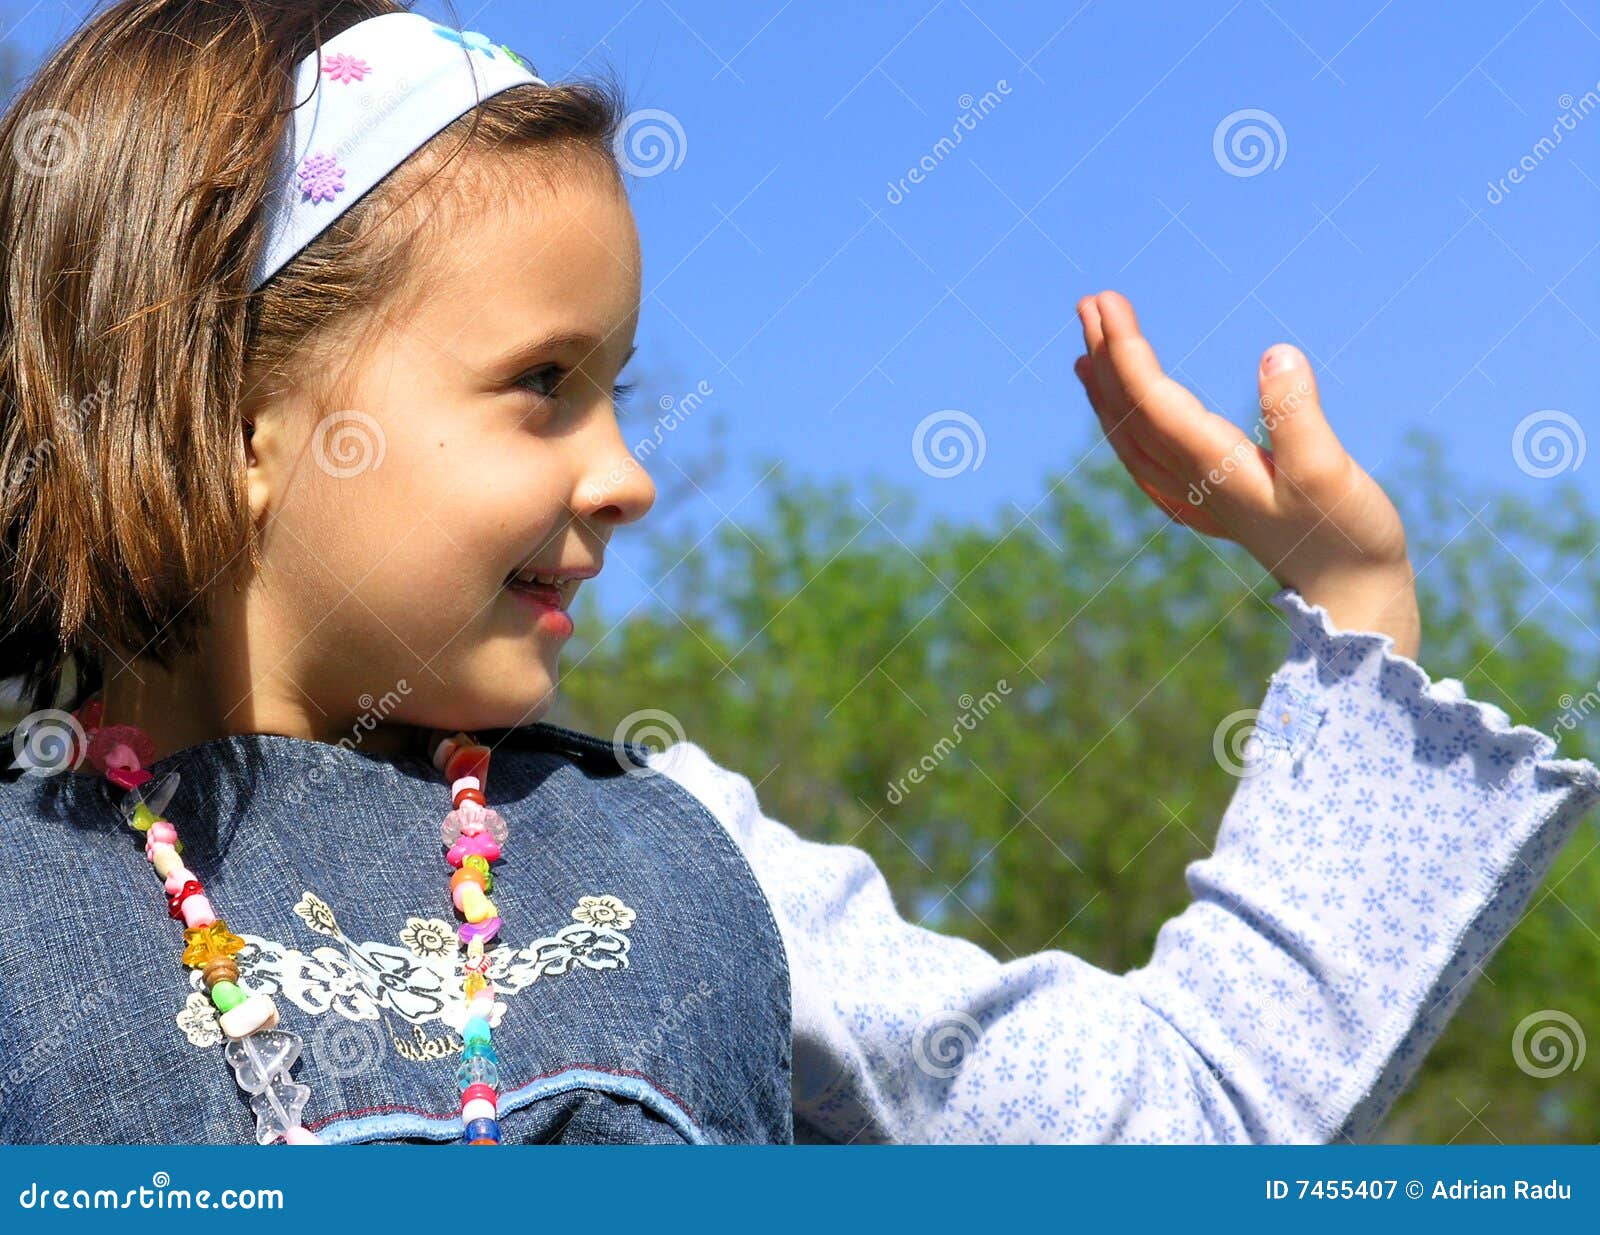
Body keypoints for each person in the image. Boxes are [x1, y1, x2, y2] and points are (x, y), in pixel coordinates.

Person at [0, 1, 1592, 1145]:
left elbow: (1191, 1117)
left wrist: (1355, 605)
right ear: (230, 421)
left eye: (619, 385)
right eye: (542, 382)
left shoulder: (698, 867)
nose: (626, 476)